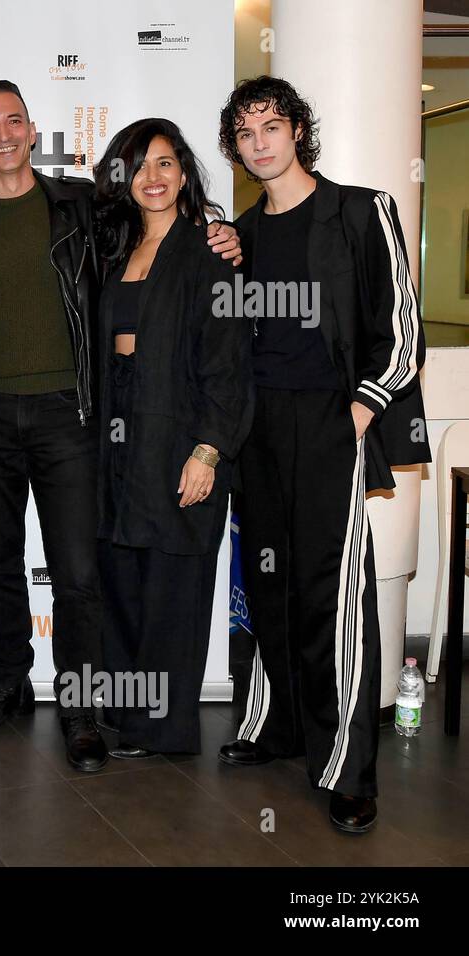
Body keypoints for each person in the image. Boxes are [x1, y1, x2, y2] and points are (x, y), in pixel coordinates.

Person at [0, 80, 242, 772]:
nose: (2, 134)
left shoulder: (81, 204)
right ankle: (8, 686)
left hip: (69, 415)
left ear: (31, 127)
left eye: (13, 120)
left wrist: (225, 231)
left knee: (80, 573)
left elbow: (164, 225)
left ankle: (82, 709)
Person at [216, 76, 429, 834]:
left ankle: (347, 766)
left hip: (333, 426)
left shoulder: (362, 210)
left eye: (271, 125)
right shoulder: (241, 234)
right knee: (268, 589)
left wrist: (362, 409)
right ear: (235, 149)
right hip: (257, 432)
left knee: (333, 597)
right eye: (244, 133)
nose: (260, 141)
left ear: (298, 129)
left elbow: (402, 332)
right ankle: (275, 727)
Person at [92, 118, 252, 758]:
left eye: (165, 164)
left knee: (173, 583)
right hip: (116, 432)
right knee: (122, 574)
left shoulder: (211, 251)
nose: (152, 178)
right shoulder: (114, 248)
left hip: (180, 429)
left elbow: (230, 360)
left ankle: (167, 726)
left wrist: (209, 450)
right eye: (138, 166)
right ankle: (130, 716)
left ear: (184, 173)